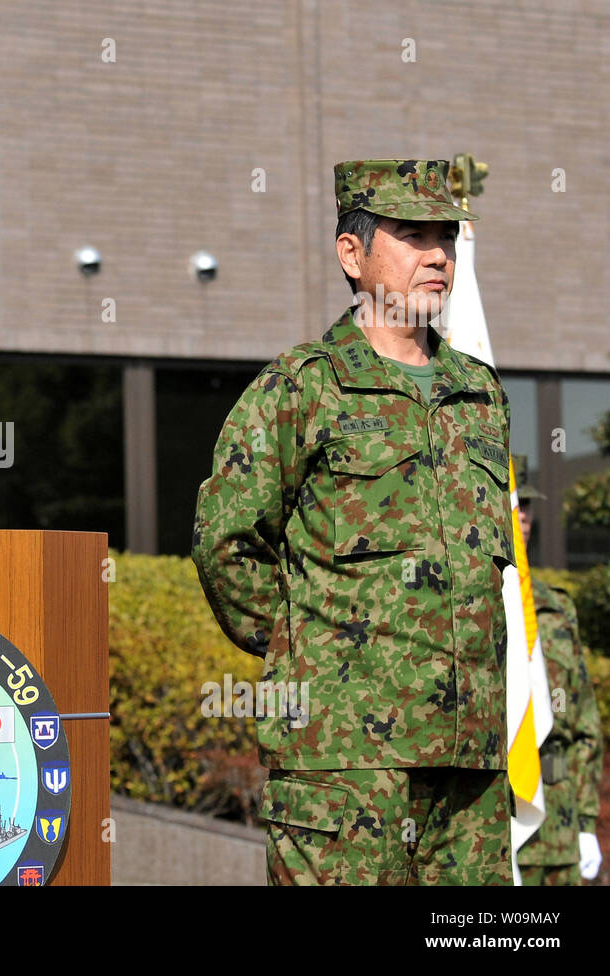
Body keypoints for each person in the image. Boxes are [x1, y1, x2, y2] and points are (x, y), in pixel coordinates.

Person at [193, 159, 514, 885]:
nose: (437, 255)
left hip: (470, 767)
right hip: (344, 766)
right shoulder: (303, 386)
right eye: (411, 235)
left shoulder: (478, 393)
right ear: (351, 253)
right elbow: (226, 540)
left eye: (446, 238)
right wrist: (307, 649)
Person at [512, 457, 604, 885]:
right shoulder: (479, 605)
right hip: (495, 821)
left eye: (528, 507)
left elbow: (584, 723)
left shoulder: (557, 605)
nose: (523, 516)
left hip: (560, 820)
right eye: (516, 504)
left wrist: (587, 822)